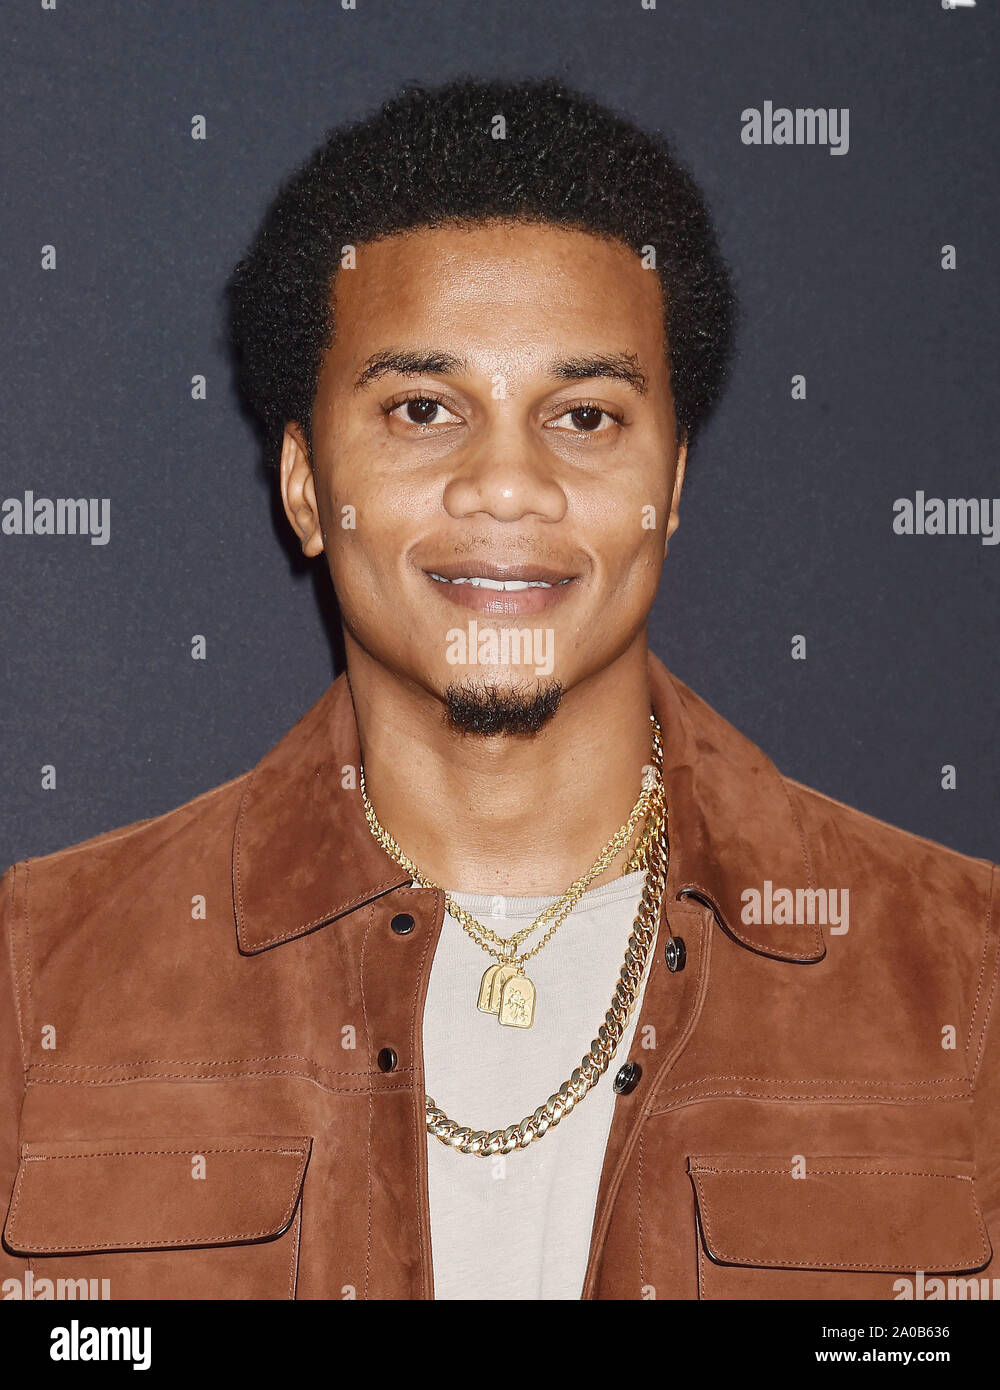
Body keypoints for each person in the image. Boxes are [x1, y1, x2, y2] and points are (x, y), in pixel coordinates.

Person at [1, 77, 996, 1302]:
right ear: (307, 487)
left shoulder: (964, 975)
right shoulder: (37, 978)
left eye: (583, 416)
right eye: (424, 409)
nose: (508, 486)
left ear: (669, 488)